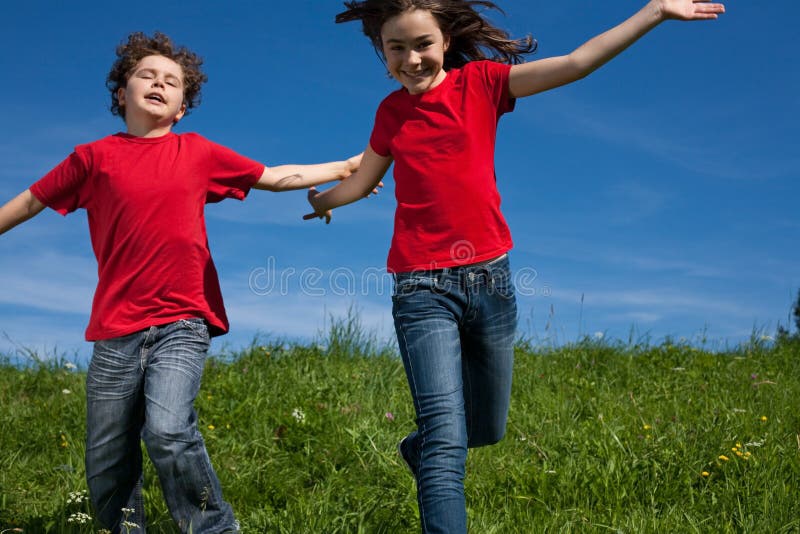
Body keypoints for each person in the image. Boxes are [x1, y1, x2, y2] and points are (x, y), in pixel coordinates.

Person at [304, 1, 725, 532]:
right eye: (397, 48)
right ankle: (434, 449)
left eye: (422, 44)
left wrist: (657, 11)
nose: (411, 59)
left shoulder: (480, 84)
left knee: (485, 428)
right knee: (446, 437)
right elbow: (364, 180)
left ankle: (420, 447)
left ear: (446, 42)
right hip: (420, 287)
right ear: (381, 53)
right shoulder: (390, 113)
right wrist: (323, 204)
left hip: (491, 282)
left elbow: (576, 63)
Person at [0, 32, 364, 533]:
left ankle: (213, 528)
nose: (158, 83)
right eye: (146, 75)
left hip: (181, 319)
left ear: (180, 109)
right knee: (106, 454)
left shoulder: (196, 152)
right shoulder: (92, 158)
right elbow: (31, 200)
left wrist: (345, 166)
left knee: (169, 431)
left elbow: (275, 176)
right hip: (114, 329)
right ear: (122, 92)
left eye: (172, 82)